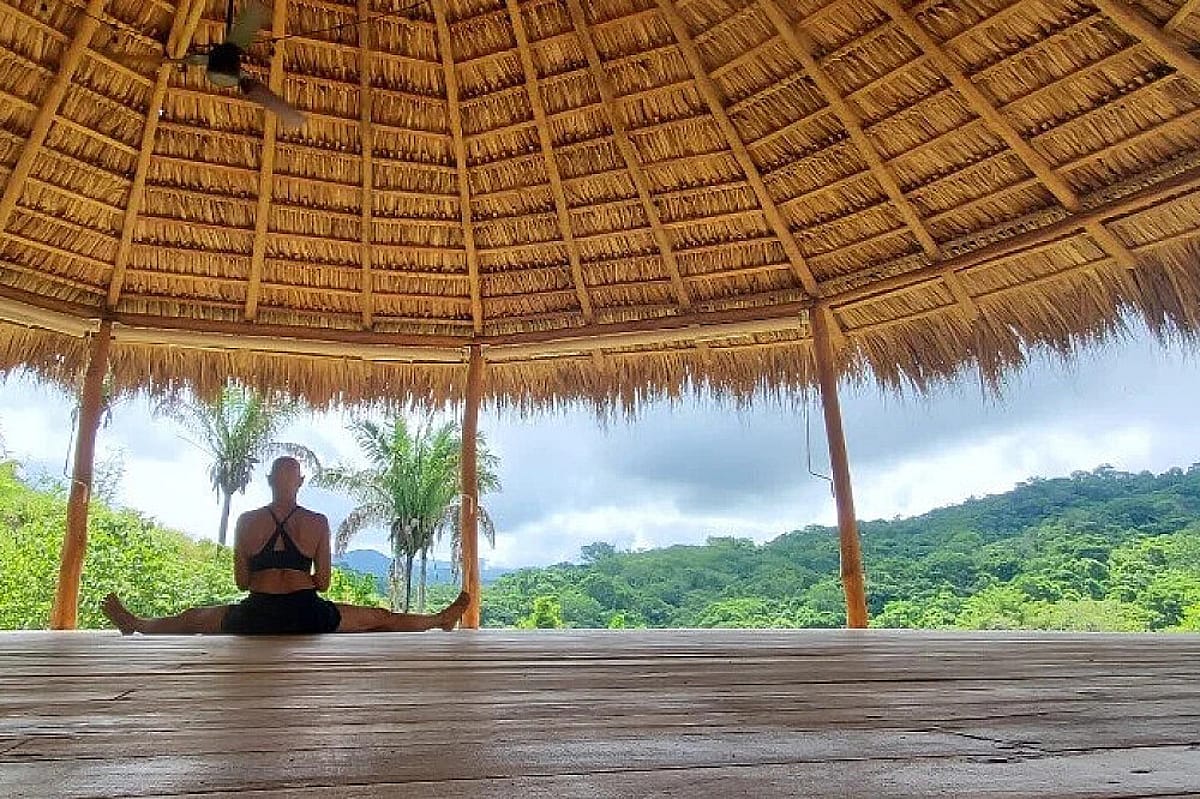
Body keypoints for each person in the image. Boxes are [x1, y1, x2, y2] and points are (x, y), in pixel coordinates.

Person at [100, 456, 470, 635]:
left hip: (257, 612)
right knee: (379, 618)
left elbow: (242, 582)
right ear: (301, 481)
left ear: (268, 480)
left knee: (194, 618)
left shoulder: (246, 521)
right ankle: (440, 619)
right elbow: (323, 583)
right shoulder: (317, 522)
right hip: (305, 612)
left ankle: (136, 624)